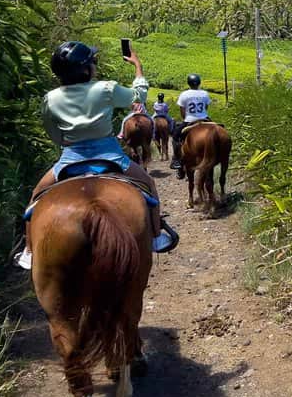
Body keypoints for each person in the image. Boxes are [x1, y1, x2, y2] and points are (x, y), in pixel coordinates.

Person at [15, 41, 178, 270]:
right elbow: (138, 96)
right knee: (148, 184)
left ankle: (29, 251)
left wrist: (67, 141)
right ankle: (155, 236)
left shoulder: (50, 98)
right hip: (110, 156)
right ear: (85, 69)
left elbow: (54, 134)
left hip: (69, 158)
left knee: (35, 198)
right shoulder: (105, 88)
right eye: (92, 62)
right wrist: (137, 67)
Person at [170, 73, 211, 170]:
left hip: (189, 120)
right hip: (205, 118)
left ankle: (176, 160)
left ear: (189, 83)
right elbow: (206, 107)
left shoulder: (184, 94)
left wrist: (185, 119)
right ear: (199, 83)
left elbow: (182, 111)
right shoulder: (205, 94)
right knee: (219, 128)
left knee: (175, 137)